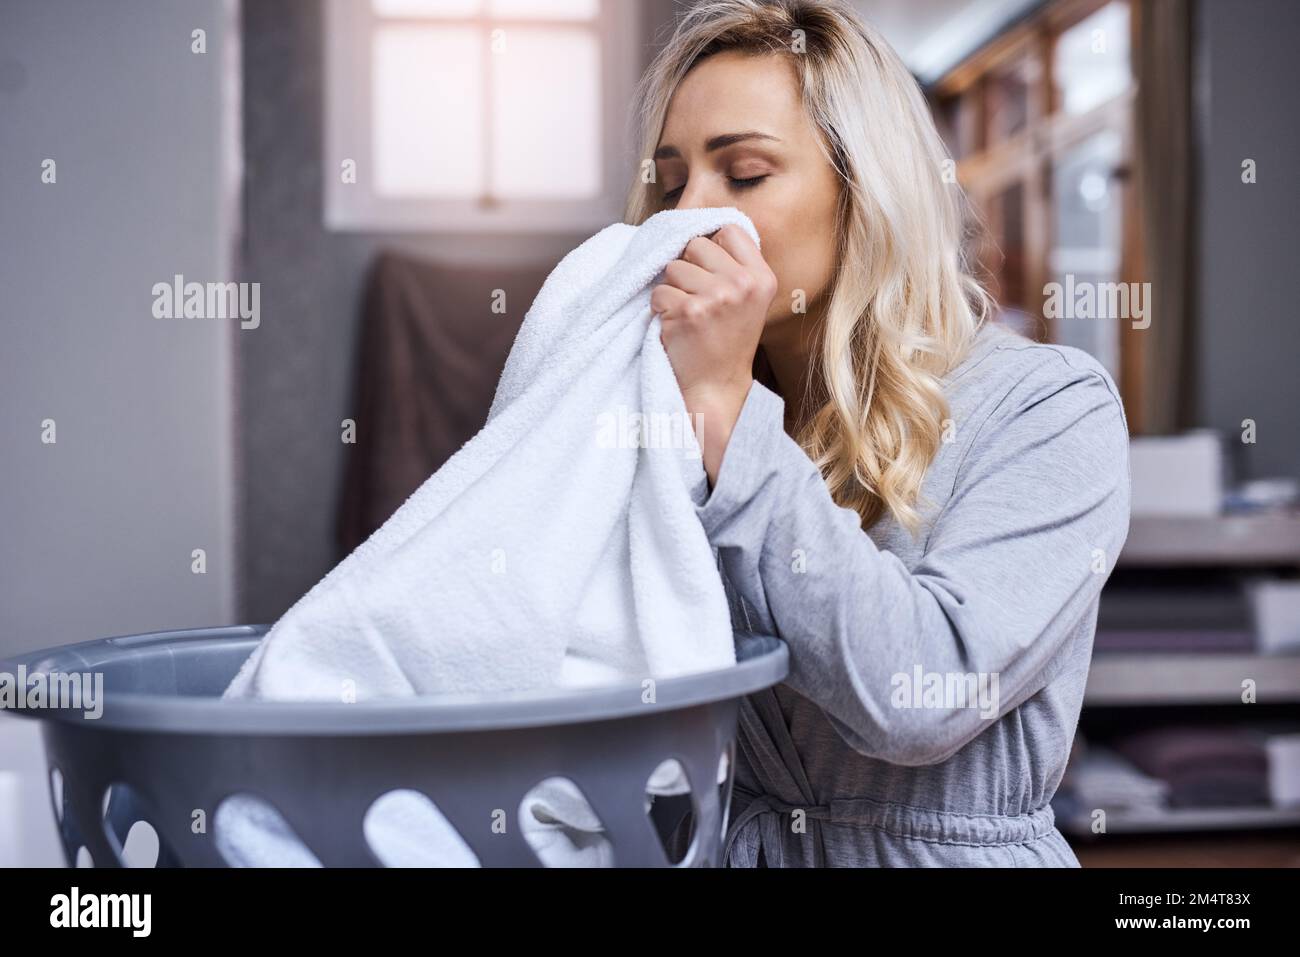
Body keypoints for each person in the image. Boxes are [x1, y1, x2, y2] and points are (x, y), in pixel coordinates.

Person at [628, 0, 1132, 866]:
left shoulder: (1051, 409)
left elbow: (919, 695)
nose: (690, 216)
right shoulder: (665, 418)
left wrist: (725, 413)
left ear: (865, 190)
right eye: (672, 184)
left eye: (743, 173)